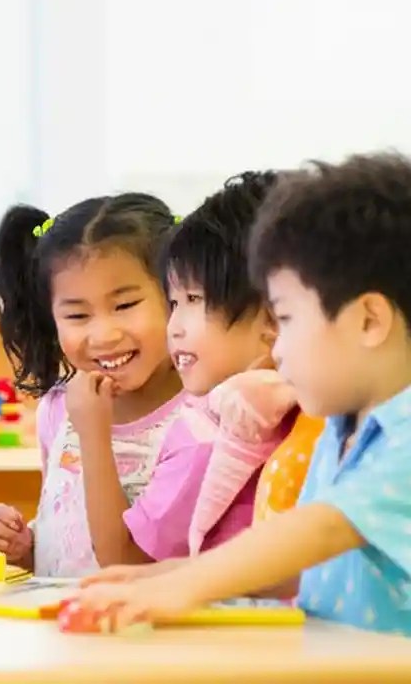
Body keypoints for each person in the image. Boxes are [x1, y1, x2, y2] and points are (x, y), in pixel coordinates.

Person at [76, 152, 411, 684]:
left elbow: (319, 530)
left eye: (286, 317)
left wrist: (179, 587)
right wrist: (157, 578)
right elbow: (291, 573)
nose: (276, 346)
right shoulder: (344, 429)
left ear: (369, 320)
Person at [0, 194, 185, 577]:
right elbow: (67, 537)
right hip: (63, 629)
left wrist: (93, 433)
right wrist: (23, 548)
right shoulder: (58, 408)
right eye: (77, 314)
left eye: (124, 306)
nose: (103, 335)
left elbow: (130, 563)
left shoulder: (197, 416)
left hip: (147, 632)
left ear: (175, 294)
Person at [148, 170, 324, 560]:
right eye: (173, 303)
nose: (175, 326)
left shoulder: (320, 426)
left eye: (194, 299)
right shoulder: (215, 415)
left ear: (274, 314)